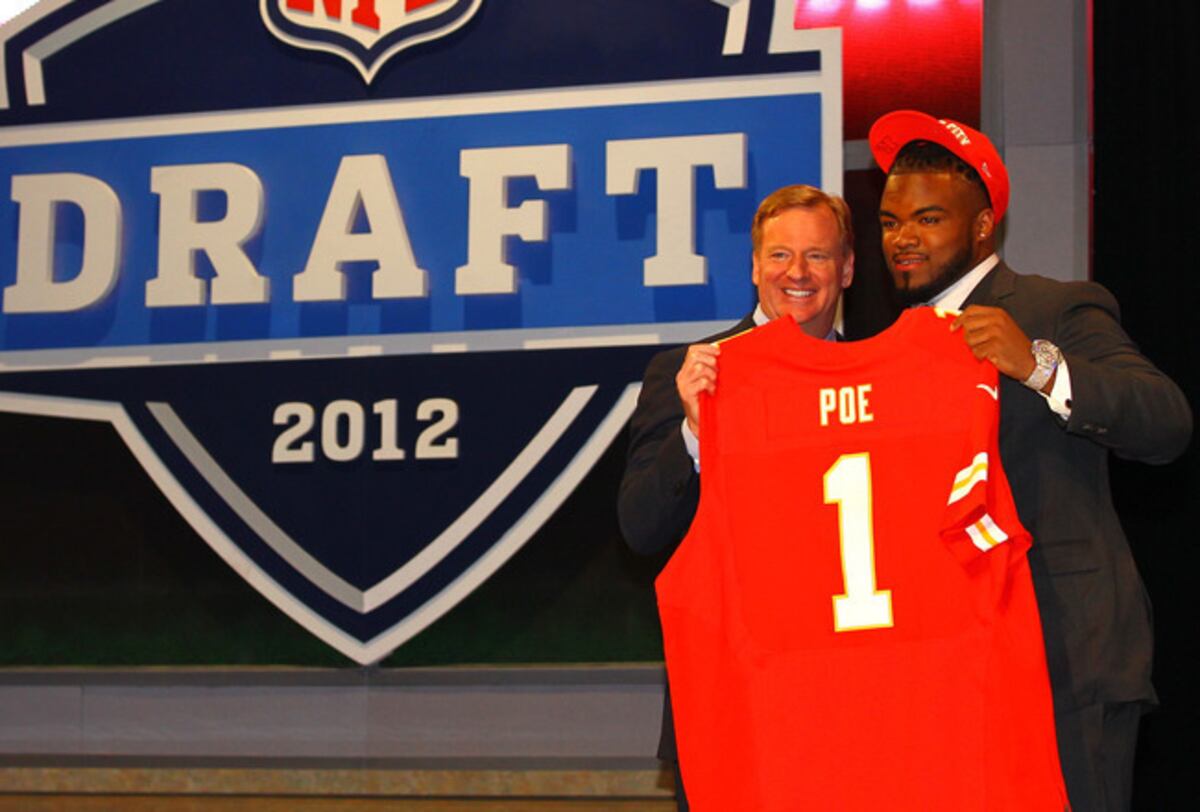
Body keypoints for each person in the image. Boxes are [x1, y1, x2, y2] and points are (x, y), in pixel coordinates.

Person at [869, 109, 1192, 811]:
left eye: (927, 219)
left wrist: (1041, 368)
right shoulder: (890, 346)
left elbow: (1165, 422)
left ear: (984, 225)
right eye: (891, 222)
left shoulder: (1054, 309)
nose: (903, 239)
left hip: (1065, 655)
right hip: (950, 666)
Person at [618, 184, 854, 809]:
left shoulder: (877, 377)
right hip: (730, 705)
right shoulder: (690, 373)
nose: (797, 273)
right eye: (780, 255)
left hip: (854, 704)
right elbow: (640, 527)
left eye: (818, 256)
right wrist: (696, 431)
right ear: (754, 267)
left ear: (848, 269)